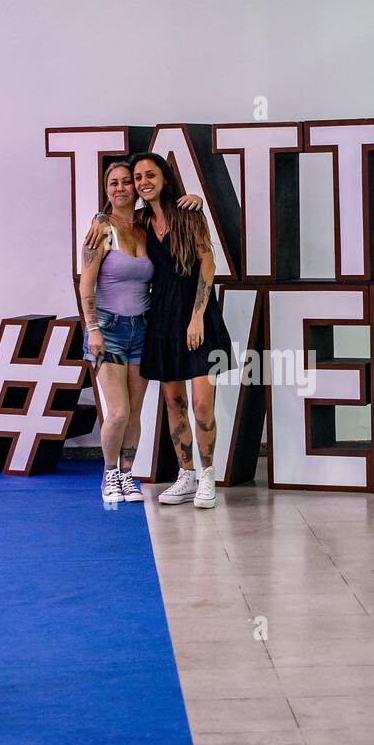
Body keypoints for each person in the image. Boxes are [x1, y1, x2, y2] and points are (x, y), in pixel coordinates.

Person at [90, 153, 230, 509]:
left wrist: (197, 316)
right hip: (161, 321)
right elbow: (110, 218)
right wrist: (98, 216)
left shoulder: (188, 213)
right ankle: (186, 476)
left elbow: (208, 263)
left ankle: (208, 474)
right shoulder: (139, 222)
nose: (141, 182)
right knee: (173, 402)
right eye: (137, 178)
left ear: (165, 178)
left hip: (198, 319)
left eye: (149, 175)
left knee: (202, 404)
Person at [79, 162, 155, 504]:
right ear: (106, 189)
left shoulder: (144, 228)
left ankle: (128, 476)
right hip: (108, 329)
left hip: (142, 328)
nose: (122, 188)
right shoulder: (101, 228)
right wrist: (93, 329)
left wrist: (194, 199)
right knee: (119, 412)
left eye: (128, 182)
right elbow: (86, 283)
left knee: (135, 413)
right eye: (114, 183)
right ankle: (109, 474)